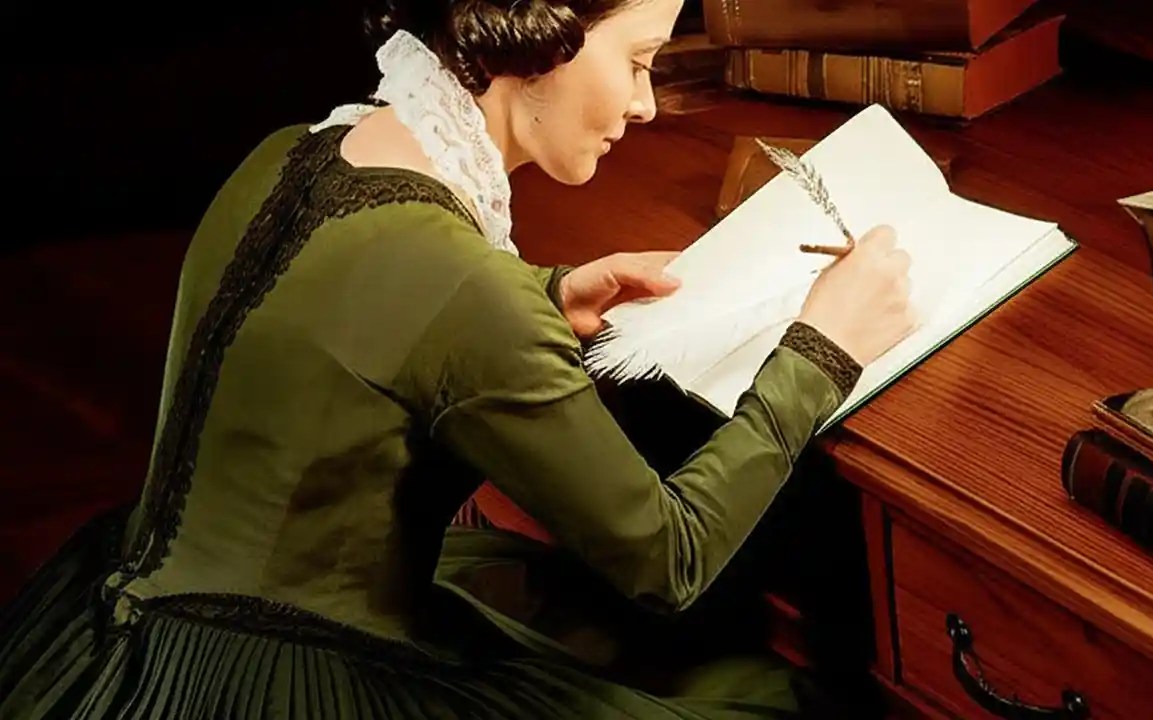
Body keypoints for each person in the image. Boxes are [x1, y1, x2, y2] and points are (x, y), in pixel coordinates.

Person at [0, 0, 916, 717]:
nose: (643, 102)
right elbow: (668, 561)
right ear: (541, 33)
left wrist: (549, 298)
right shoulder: (463, 286)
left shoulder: (295, 153)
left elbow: (340, 322)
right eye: (636, 61)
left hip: (116, 629)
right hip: (278, 677)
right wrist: (819, 353)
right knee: (765, 695)